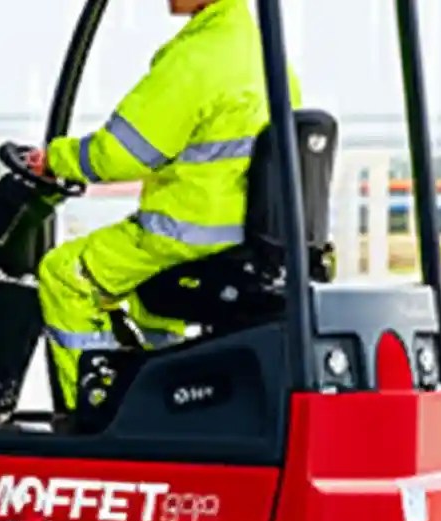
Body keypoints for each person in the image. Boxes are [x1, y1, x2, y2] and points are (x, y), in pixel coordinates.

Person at [28, 0, 301, 411]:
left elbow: (123, 153)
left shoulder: (198, 56)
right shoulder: (264, 54)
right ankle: (166, 397)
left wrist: (55, 160)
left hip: (188, 235)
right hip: (248, 236)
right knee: (143, 298)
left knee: (65, 274)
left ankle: (94, 410)